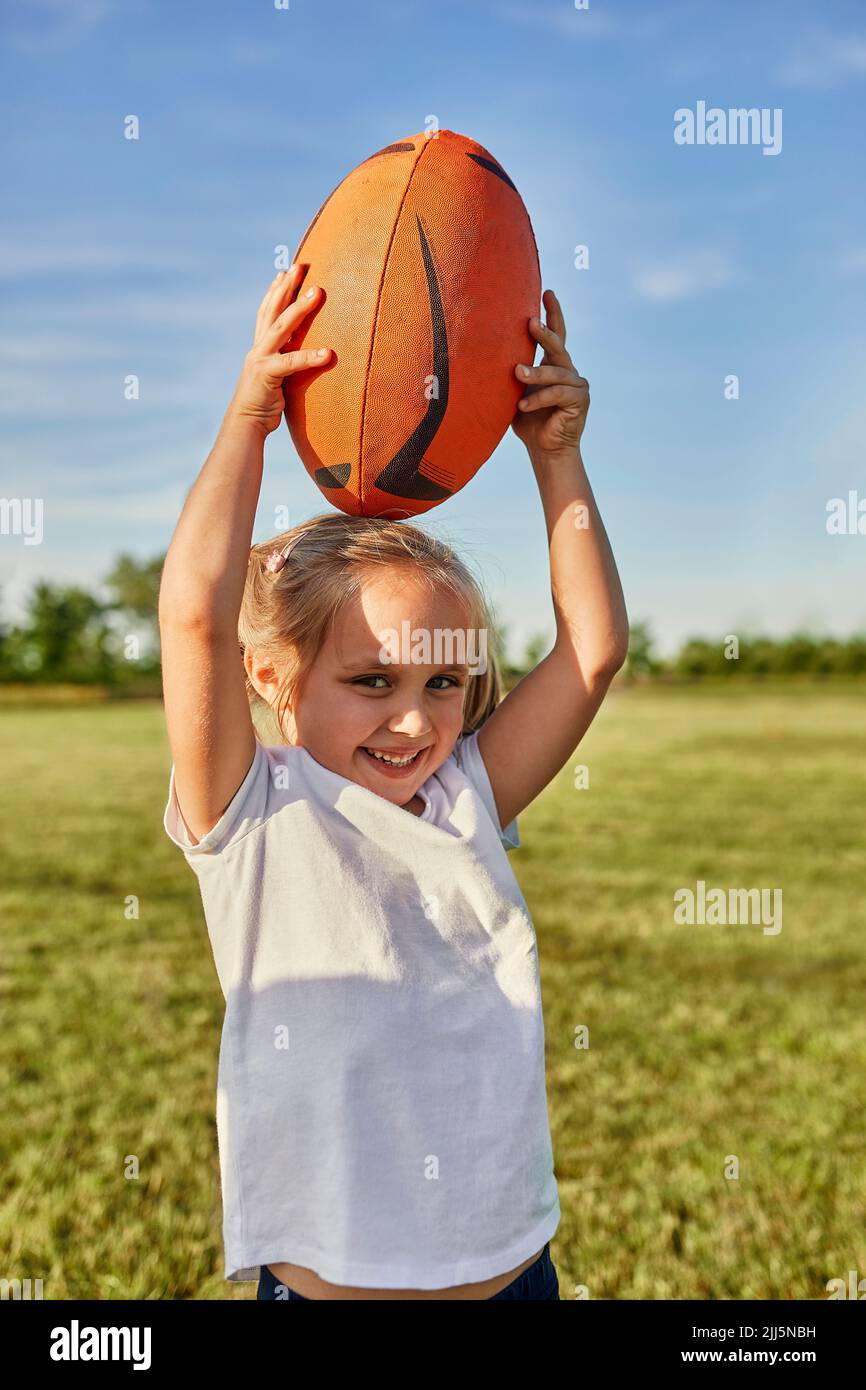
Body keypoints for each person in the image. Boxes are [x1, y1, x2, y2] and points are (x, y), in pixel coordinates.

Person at [159, 264, 628, 1299]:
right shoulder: (251, 814)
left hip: (512, 1275)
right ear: (274, 679)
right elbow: (192, 611)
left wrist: (557, 458)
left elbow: (590, 650)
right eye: (369, 680)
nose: (414, 718)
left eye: (444, 680)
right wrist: (248, 420)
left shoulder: (466, 792)